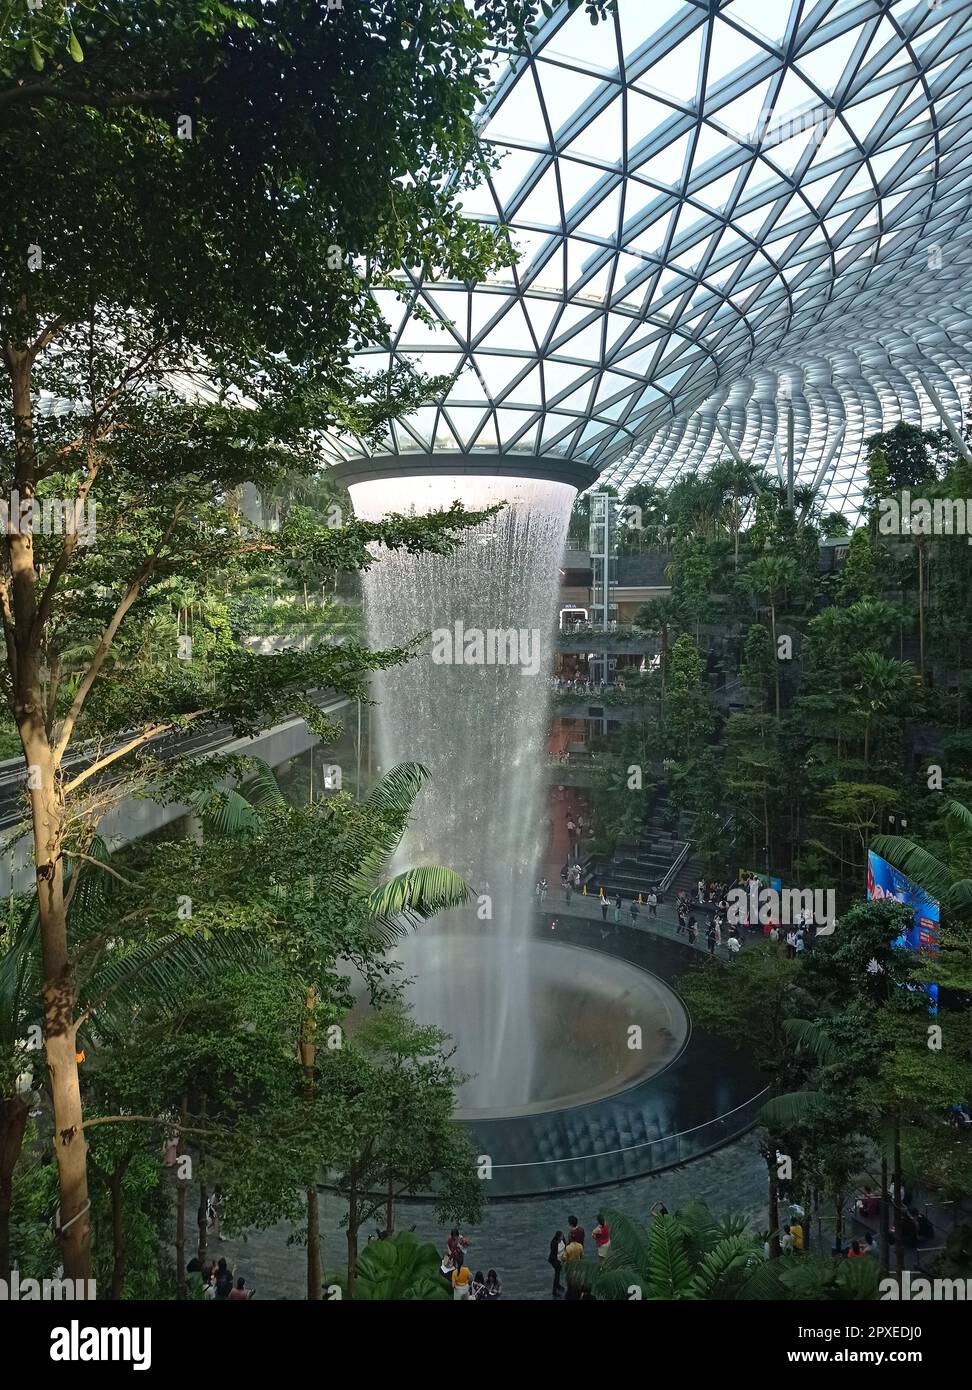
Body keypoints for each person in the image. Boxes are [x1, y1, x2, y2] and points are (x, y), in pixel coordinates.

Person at [549, 1231, 566, 1298]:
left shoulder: (563, 1240)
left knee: (558, 1274)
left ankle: (558, 1285)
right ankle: (554, 1291)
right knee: (557, 1275)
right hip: (556, 1261)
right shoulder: (554, 1244)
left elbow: (565, 1246)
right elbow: (554, 1255)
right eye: (561, 1236)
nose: (562, 1237)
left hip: (561, 1260)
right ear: (558, 1237)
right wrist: (558, 1263)